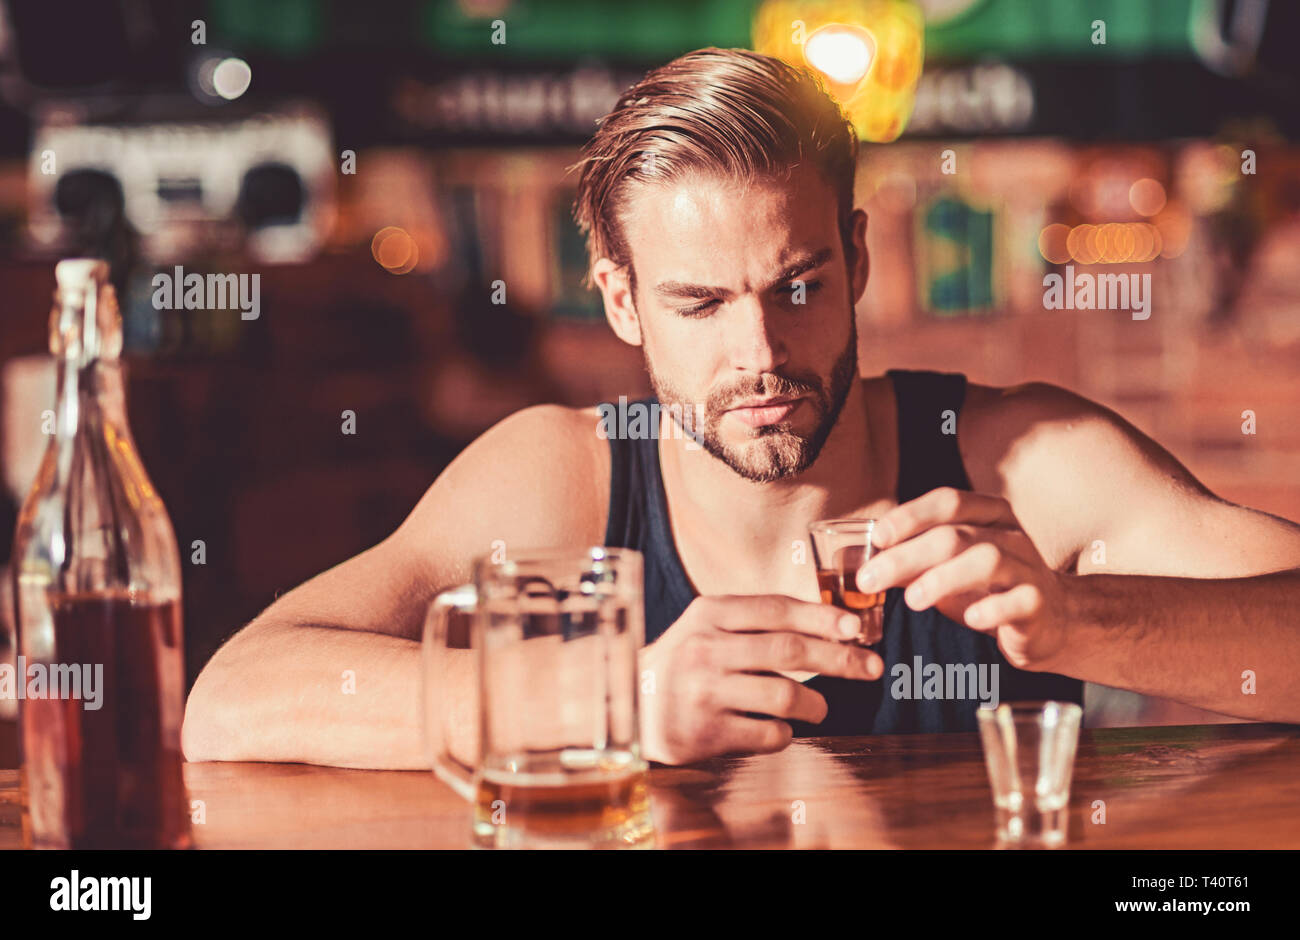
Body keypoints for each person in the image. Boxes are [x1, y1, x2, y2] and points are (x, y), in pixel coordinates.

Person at [182, 48, 1300, 769]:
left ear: (856, 260)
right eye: (700, 302)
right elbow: (232, 699)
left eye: (797, 286)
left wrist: (1079, 619)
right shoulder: (564, 477)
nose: (760, 352)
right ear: (622, 302)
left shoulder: (1019, 458)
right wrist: (616, 693)